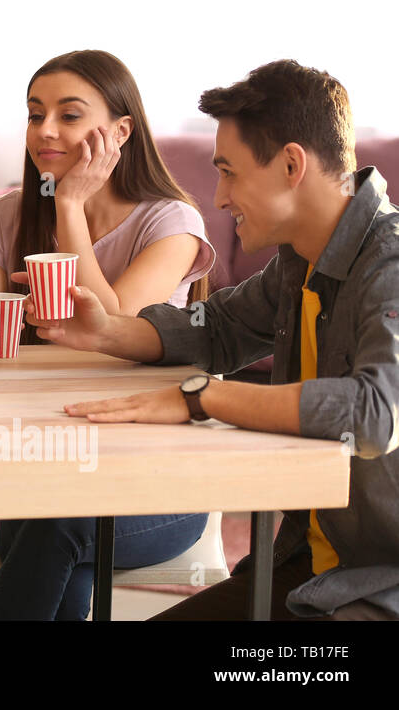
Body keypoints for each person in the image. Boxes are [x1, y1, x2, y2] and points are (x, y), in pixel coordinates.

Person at [31, 60, 398, 620]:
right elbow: (219, 327)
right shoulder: (302, 258)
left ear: (292, 164)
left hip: (379, 585)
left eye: (229, 172)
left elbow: (375, 414)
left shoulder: (389, 263)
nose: (220, 197)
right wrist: (111, 332)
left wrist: (201, 397)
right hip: (311, 569)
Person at [0, 49, 216, 620]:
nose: (45, 131)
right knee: (58, 528)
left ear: (120, 132)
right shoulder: (0, 219)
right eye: (34, 113)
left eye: (69, 116)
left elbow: (114, 326)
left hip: (155, 481)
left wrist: (68, 203)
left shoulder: (171, 223)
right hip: (36, 465)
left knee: (62, 524)